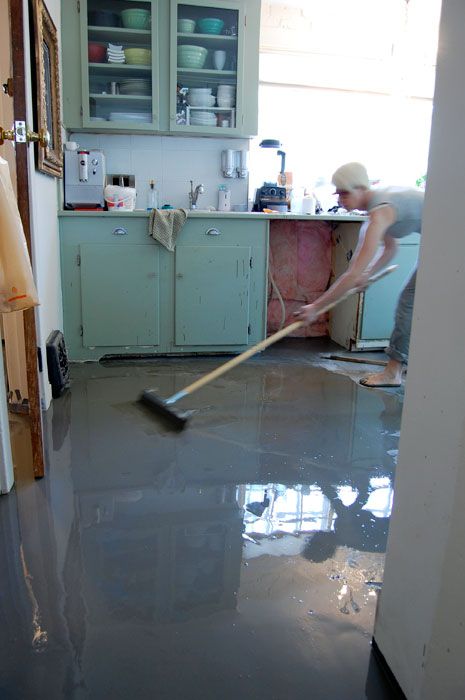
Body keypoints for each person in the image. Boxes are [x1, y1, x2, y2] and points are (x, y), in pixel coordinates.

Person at [296, 162, 423, 387]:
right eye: (338, 193)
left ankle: (393, 373)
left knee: (408, 303)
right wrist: (367, 274)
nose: (340, 200)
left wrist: (315, 308)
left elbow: (352, 274)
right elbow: (391, 248)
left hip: (451, 240)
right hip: (441, 241)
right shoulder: (377, 209)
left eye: (345, 193)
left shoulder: (381, 211)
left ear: (361, 188)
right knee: (412, 303)